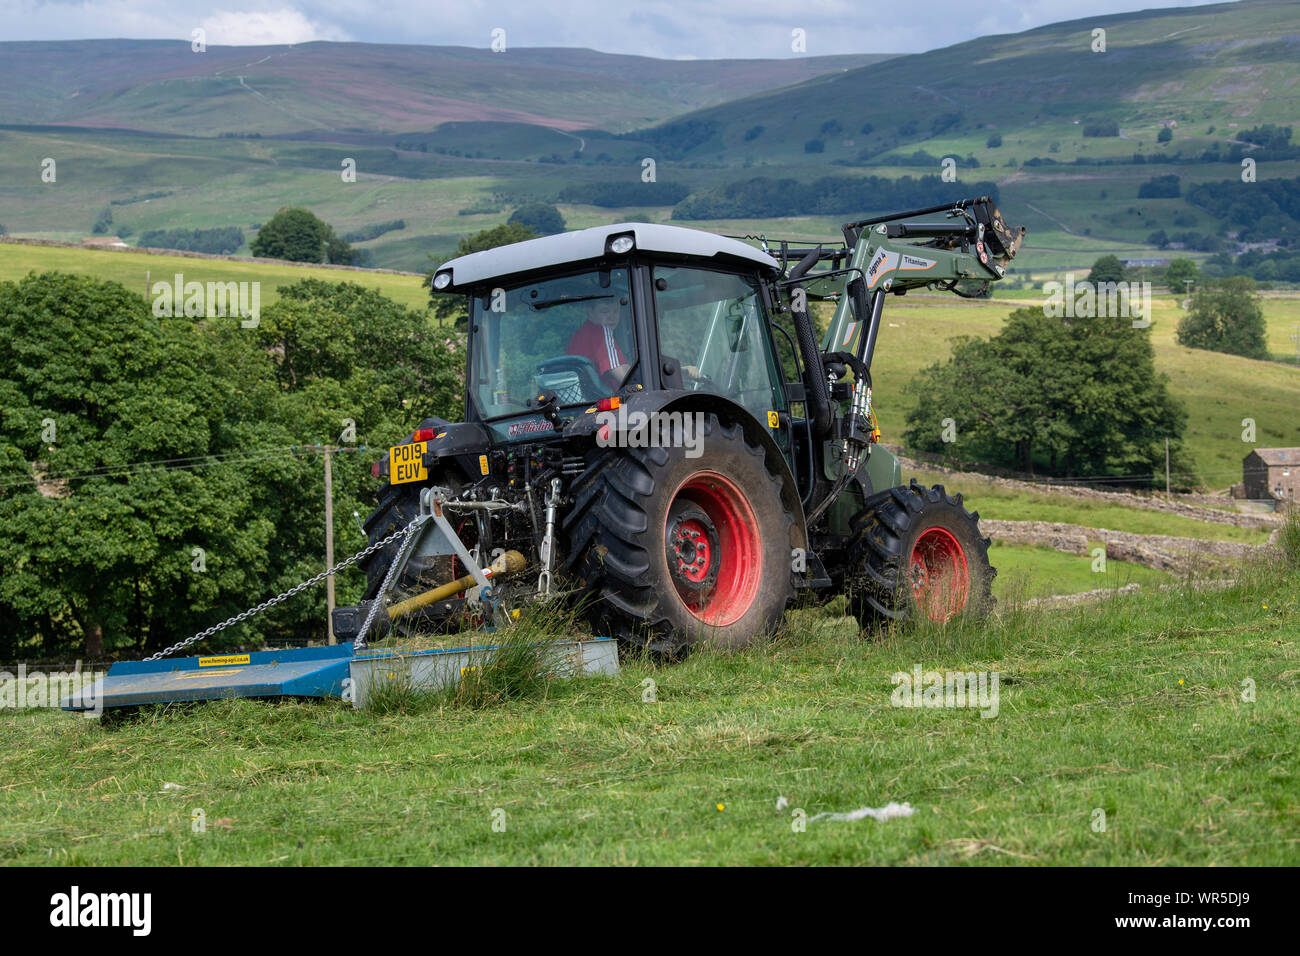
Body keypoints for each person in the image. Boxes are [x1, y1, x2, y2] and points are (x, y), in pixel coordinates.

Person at [567, 296, 632, 389]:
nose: (612, 317)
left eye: (616, 311)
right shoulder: (601, 331)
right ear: (590, 312)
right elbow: (621, 373)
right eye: (605, 312)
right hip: (609, 400)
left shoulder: (579, 335)